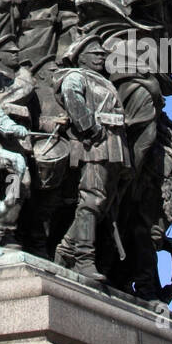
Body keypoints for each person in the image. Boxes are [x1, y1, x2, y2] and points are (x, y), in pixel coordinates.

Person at [51, 33, 131, 282]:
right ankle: (83, 258)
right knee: (92, 200)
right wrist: (90, 128)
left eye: (102, 54)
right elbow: (72, 99)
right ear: (81, 56)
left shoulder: (104, 81)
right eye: (95, 54)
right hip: (95, 143)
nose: (101, 57)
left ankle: (65, 249)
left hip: (114, 145)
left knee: (102, 203)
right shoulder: (75, 76)